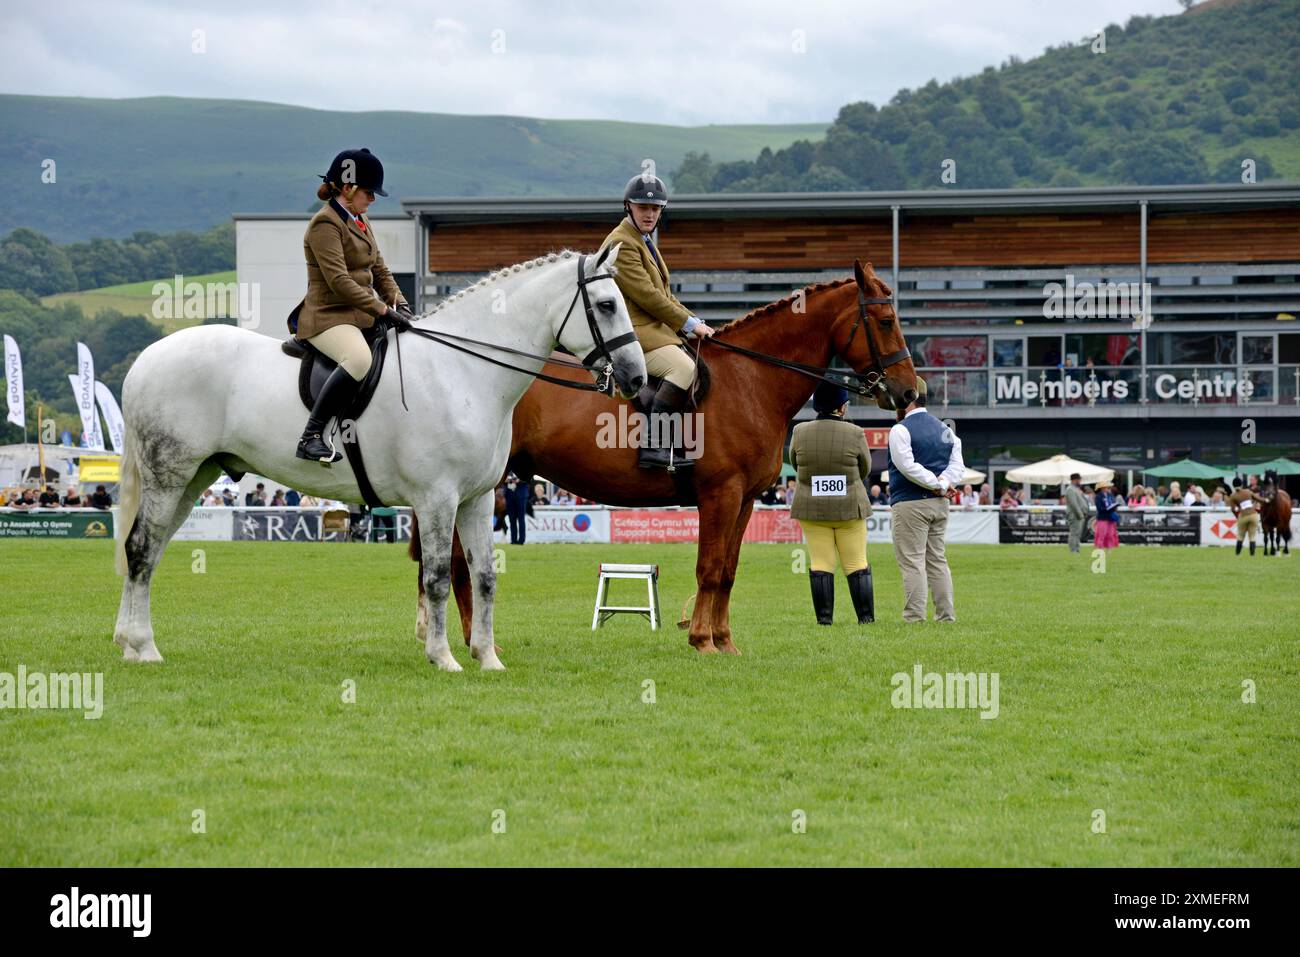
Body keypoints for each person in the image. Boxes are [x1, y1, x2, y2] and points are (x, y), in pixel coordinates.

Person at [291, 147, 412, 464]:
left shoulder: (360, 219)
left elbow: (380, 270)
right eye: (369, 192)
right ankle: (312, 436)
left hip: (359, 313)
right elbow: (339, 282)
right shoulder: (324, 225)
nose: (372, 199)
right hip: (327, 316)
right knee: (359, 359)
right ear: (348, 188)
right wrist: (384, 311)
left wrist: (400, 303)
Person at [600, 172, 713, 470]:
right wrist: (688, 324)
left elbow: (666, 294)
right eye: (643, 207)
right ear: (628, 207)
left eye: (655, 208)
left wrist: (694, 322)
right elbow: (648, 296)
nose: (650, 213)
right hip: (633, 335)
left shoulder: (641, 239)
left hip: (655, 331)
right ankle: (654, 446)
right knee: (684, 368)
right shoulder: (622, 243)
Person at [789, 381, 875, 625]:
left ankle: (824, 620)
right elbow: (865, 468)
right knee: (857, 562)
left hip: (811, 507)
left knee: (820, 563)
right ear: (842, 407)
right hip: (849, 508)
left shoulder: (799, 431)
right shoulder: (856, 433)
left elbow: (795, 463)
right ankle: (866, 619)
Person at [886, 377, 963, 622]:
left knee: (912, 562)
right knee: (937, 560)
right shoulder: (947, 431)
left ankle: (914, 617)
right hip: (940, 504)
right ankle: (946, 616)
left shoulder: (900, 430)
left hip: (910, 503)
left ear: (907, 399)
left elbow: (907, 467)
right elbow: (957, 467)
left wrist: (937, 484)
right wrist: (943, 485)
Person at [1229, 476, 1262, 556]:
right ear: (1242, 484)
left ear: (1233, 485)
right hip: (1254, 515)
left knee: (1240, 535)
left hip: (1243, 516)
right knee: (1252, 536)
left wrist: (1237, 516)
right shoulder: (1248, 491)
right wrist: (1267, 500)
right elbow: (1259, 499)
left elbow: (1233, 509)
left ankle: (1237, 554)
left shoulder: (1233, 495)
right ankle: (1252, 555)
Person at [1064, 472, 1091, 554]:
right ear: (1074, 480)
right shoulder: (1070, 489)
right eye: (1079, 479)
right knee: (1074, 533)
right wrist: (1080, 514)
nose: (1080, 481)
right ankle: (1073, 550)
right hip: (1075, 515)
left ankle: (1076, 549)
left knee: (1078, 533)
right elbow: (1074, 504)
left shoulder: (1075, 489)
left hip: (1079, 515)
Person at [1092, 477, 1120, 550]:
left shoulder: (1110, 495)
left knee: (1111, 534)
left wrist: (1114, 506)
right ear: (1102, 488)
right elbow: (1099, 508)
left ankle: (1110, 549)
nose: (1108, 488)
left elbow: (1113, 503)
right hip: (1103, 517)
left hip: (1110, 517)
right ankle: (1100, 549)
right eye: (1107, 487)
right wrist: (1107, 509)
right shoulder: (1098, 497)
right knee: (1102, 534)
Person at [504, 472, 529, 545]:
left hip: (521, 494)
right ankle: (513, 540)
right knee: (512, 519)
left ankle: (521, 540)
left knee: (521, 519)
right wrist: (507, 480)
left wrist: (518, 480)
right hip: (509, 495)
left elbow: (528, 478)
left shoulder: (523, 467)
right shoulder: (507, 467)